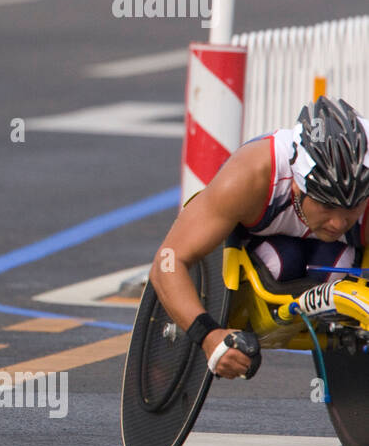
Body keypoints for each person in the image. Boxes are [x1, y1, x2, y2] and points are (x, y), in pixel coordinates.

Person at [148, 95, 369, 381]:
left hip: (338, 259)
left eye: (352, 208)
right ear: (298, 185)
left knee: (338, 266)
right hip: (263, 251)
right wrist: (209, 336)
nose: (339, 222)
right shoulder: (249, 177)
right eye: (327, 205)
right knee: (281, 263)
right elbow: (169, 260)